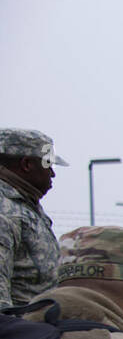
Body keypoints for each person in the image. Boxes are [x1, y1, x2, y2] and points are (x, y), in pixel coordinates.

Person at [0, 128, 66, 309]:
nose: (52, 173)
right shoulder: (6, 211)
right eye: (48, 165)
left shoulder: (24, 204)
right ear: (27, 164)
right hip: (19, 332)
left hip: (36, 328)